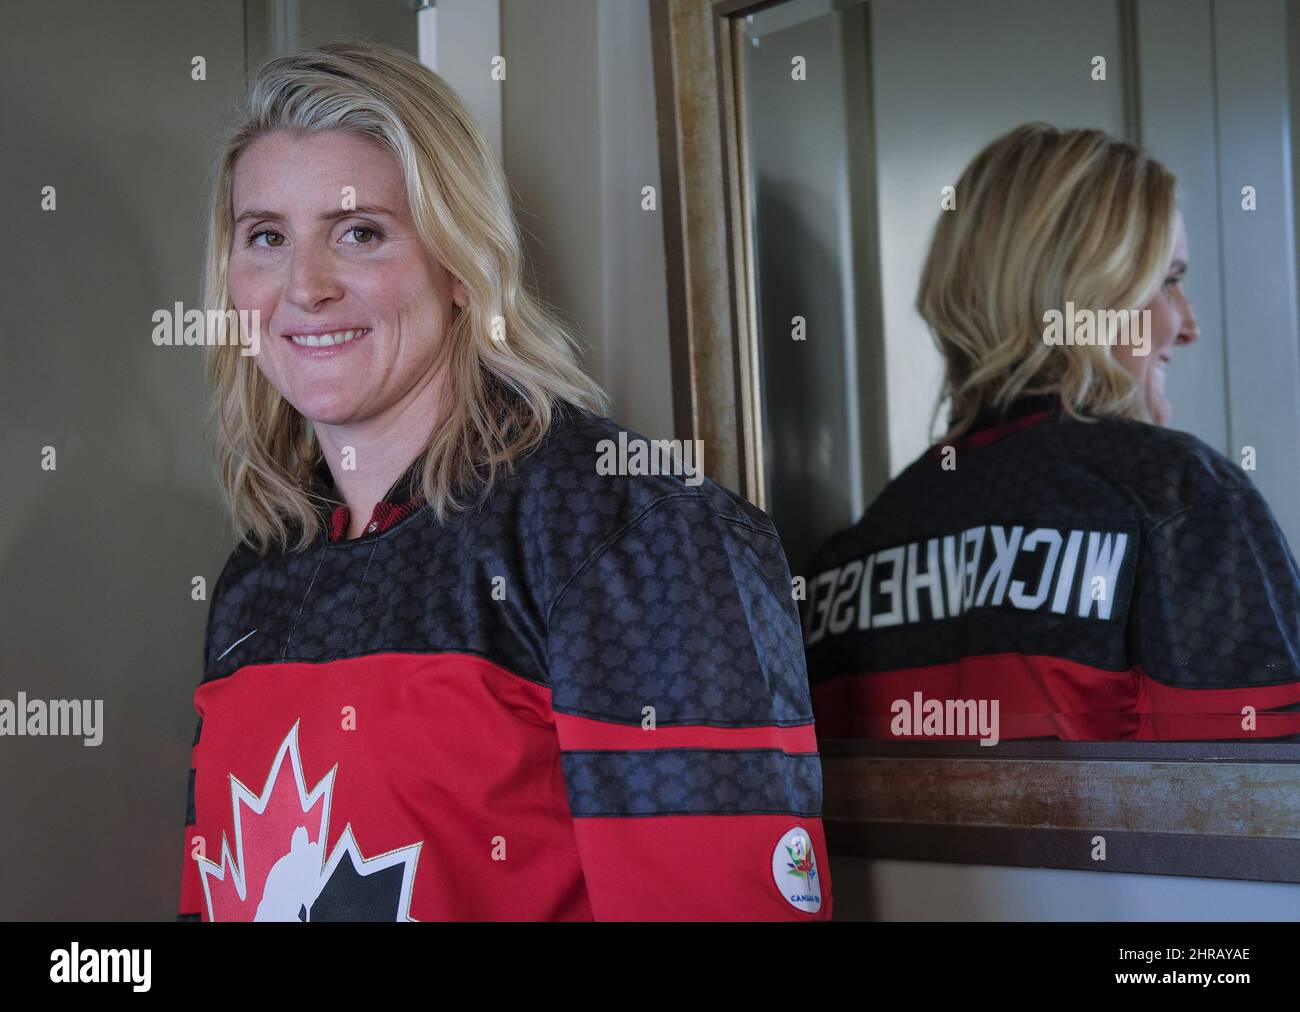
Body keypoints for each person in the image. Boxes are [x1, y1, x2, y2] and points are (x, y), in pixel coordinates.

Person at [178, 41, 831, 921]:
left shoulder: (629, 533)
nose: (306, 286)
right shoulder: (261, 572)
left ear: (456, 264)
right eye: (266, 237)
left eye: (359, 232)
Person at [803, 123, 1300, 743]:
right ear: (1087, 293)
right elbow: (1270, 812)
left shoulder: (843, 561)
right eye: (1169, 280)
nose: (1188, 324)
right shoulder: (1180, 497)